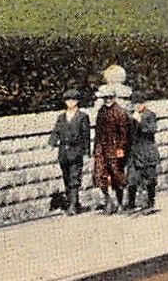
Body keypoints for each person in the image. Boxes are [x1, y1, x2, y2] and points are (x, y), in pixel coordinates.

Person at [47, 88, 90, 216]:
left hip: (76, 150)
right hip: (63, 152)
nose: (70, 103)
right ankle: (74, 203)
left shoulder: (82, 117)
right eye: (68, 100)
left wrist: (87, 152)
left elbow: (86, 136)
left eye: (73, 100)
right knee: (66, 178)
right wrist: (52, 143)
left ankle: (72, 206)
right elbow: (56, 131)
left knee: (74, 178)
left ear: (77, 101)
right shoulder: (61, 117)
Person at [93, 85, 130, 215]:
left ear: (114, 97)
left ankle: (120, 203)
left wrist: (121, 150)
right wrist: (96, 149)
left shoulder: (120, 112)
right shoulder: (101, 111)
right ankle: (108, 201)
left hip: (115, 149)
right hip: (102, 149)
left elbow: (125, 134)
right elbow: (98, 132)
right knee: (100, 175)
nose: (107, 100)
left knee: (117, 176)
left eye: (110, 97)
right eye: (105, 97)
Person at [125, 90, 161, 214]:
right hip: (134, 154)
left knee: (150, 180)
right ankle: (131, 205)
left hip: (147, 152)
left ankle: (150, 203)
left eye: (139, 103)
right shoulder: (130, 117)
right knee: (132, 180)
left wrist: (139, 122)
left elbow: (151, 130)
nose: (137, 106)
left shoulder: (150, 115)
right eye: (134, 104)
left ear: (144, 103)